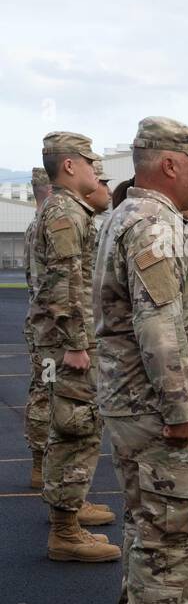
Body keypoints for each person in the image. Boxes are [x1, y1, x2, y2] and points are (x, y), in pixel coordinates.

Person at [96, 116, 188, 604]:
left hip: (131, 399)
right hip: (154, 404)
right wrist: (179, 408)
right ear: (171, 164)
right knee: (174, 519)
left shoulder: (128, 213)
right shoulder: (155, 224)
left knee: (148, 514)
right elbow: (158, 325)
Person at [31, 132, 120, 562]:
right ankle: (64, 531)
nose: (94, 171)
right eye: (89, 162)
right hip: (70, 345)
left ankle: (72, 509)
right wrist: (76, 344)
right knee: (75, 428)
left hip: (70, 340)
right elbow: (64, 281)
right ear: (70, 165)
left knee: (76, 427)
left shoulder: (68, 209)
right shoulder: (65, 212)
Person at [22, 167, 53, 490]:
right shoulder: (48, 225)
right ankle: (43, 465)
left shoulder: (36, 225)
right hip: (50, 327)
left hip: (41, 322)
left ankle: (43, 464)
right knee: (47, 395)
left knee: (43, 393)